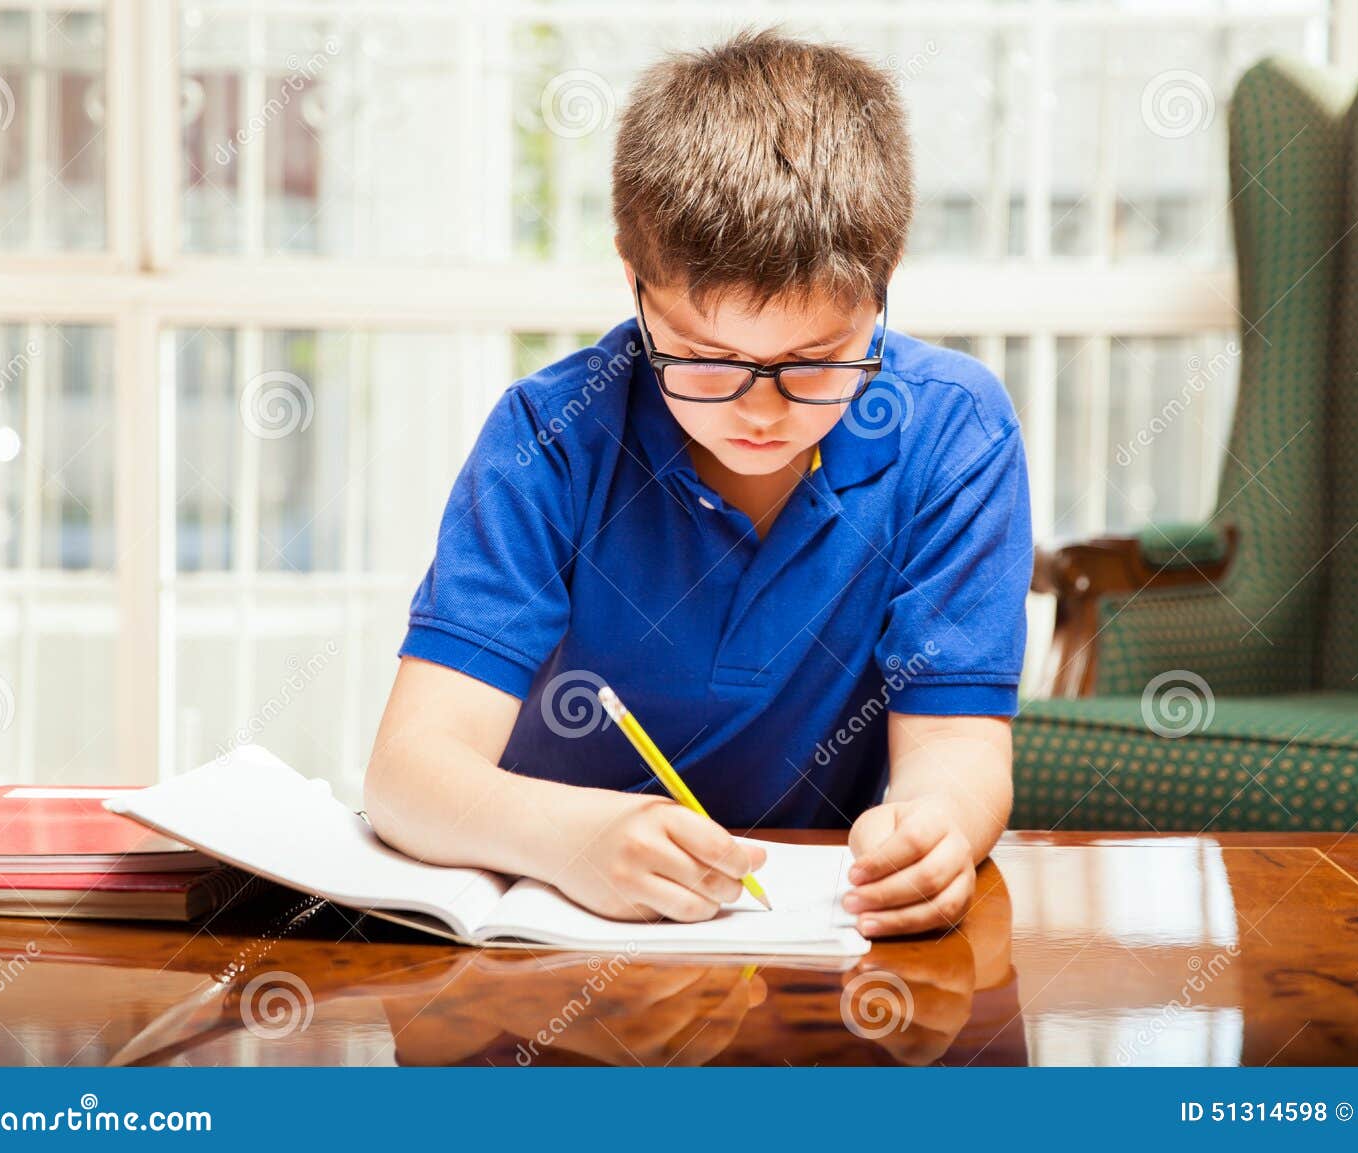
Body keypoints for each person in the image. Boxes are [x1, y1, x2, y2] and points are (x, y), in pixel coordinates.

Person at [365, 29, 1031, 939]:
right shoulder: (550, 439)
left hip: (814, 960)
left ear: (882, 289)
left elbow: (957, 746)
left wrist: (935, 829)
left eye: (814, 359)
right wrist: (574, 840)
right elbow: (409, 774)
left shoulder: (953, 432)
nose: (761, 409)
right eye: (709, 359)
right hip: (549, 968)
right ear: (635, 280)